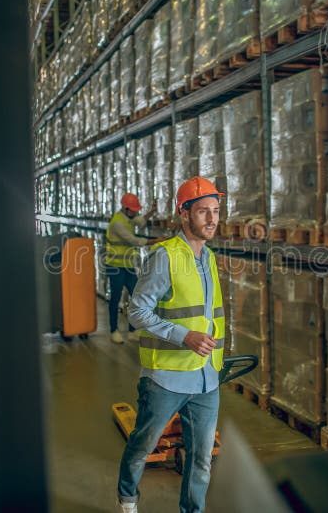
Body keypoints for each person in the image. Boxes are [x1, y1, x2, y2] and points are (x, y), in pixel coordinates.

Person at [117, 176, 225, 513]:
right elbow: (136, 311)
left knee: (201, 459)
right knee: (142, 446)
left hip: (206, 377)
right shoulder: (164, 256)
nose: (212, 219)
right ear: (185, 214)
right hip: (166, 377)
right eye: (203, 212)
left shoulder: (208, 257)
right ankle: (127, 499)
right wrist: (184, 336)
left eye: (217, 211)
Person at [105, 193, 165, 344]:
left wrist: (151, 212)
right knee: (116, 297)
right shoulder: (118, 223)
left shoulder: (128, 219)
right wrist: (157, 240)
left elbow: (139, 221)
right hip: (115, 266)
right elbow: (134, 240)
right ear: (125, 208)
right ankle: (114, 331)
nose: (136, 213)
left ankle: (132, 330)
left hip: (127, 266)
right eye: (133, 210)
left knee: (136, 296)